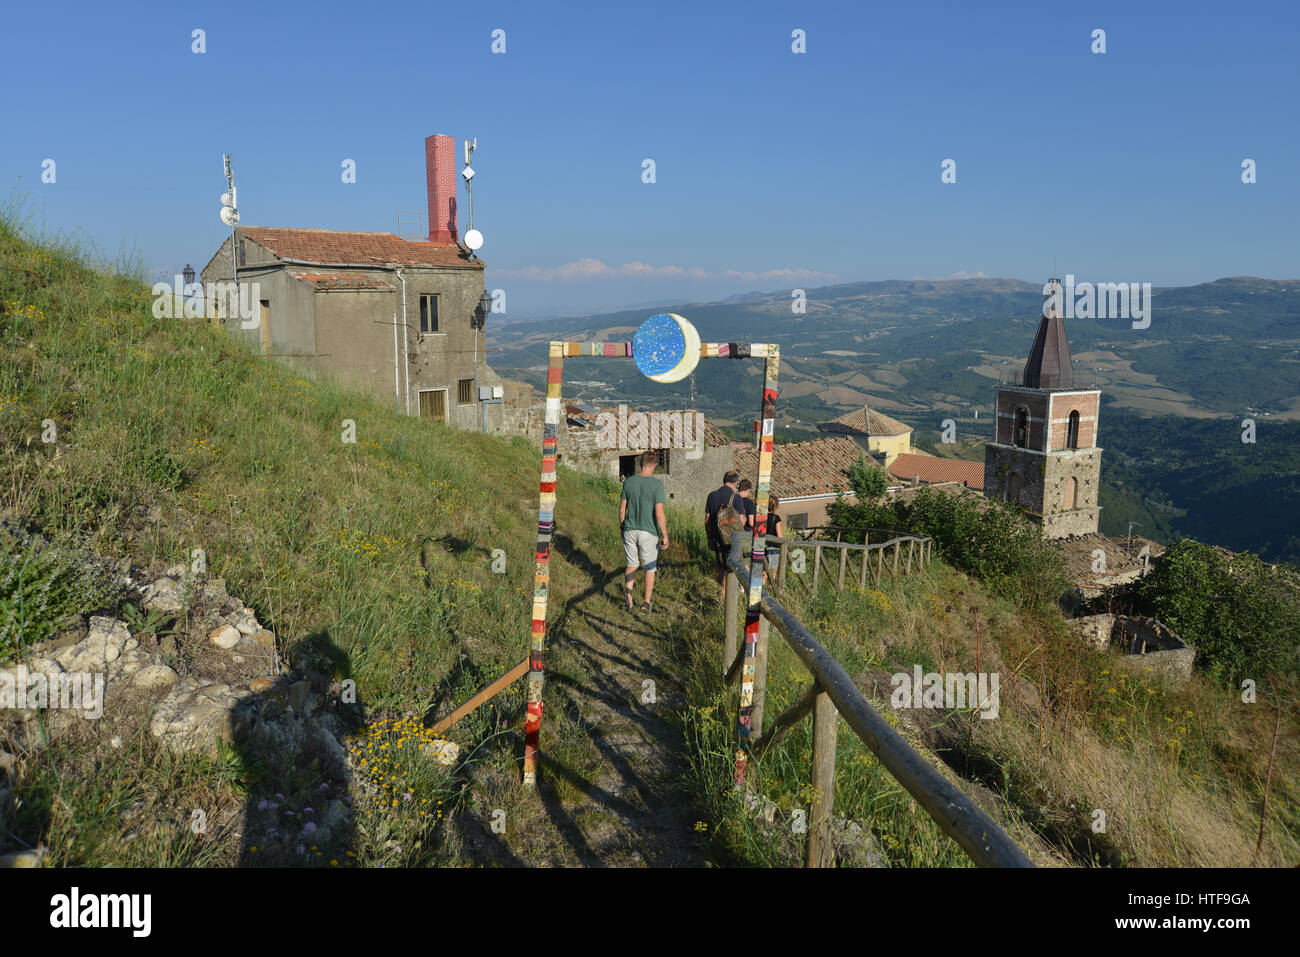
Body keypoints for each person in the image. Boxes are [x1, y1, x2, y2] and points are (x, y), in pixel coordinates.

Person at [619, 451, 669, 611]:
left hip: (629, 529)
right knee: (649, 567)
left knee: (632, 564)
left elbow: (621, 510)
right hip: (648, 532)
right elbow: (659, 514)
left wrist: (622, 527)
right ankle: (646, 602)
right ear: (654, 466)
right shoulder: (657, 486)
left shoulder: (629, 482)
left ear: (641, 464)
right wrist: (665, 535)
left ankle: (628, 598)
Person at [704, 471, 743, 576]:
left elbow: (707, 519)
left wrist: (709, 538)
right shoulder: (736, 498)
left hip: (716, 537)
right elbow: (742, 520)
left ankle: (721, 591)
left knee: (721, 568)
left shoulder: (712, 495)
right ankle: (729, 591)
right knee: (731, 569)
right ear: (735, 483)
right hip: (731, 539)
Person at [762, 494, 785, 582]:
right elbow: (779, 536)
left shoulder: (760, 517)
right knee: (773, 571)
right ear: (775, 506)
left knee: (763, 570)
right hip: (773, 547)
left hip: (761, 545)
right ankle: (772, 589)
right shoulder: (776, 518)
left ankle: (761, 586)